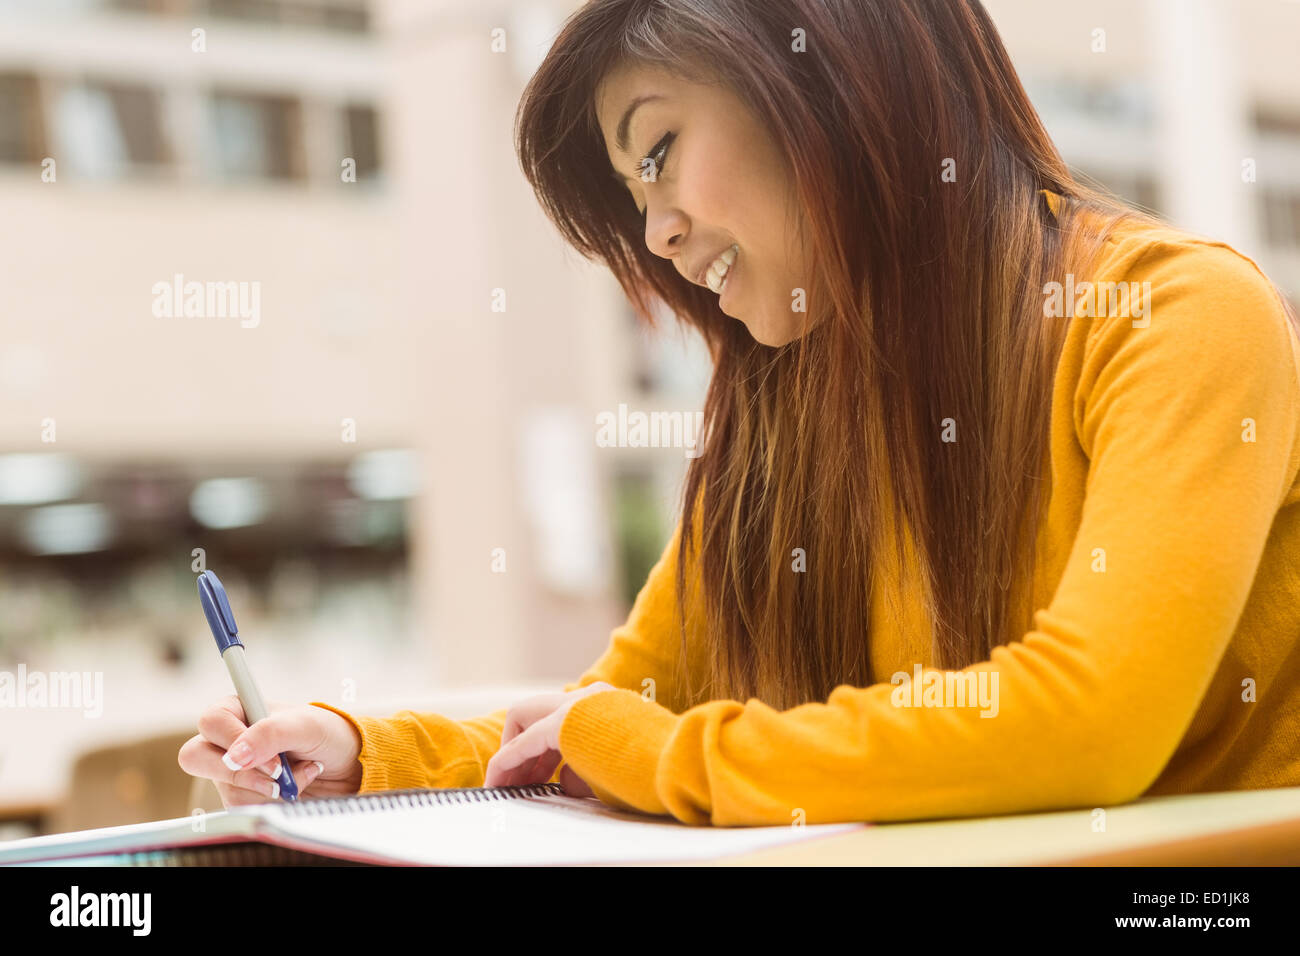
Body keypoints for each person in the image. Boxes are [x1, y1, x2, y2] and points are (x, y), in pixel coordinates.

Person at [179, 0, 1300, 826]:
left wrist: (660, 753)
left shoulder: (1174, 314)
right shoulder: (781, 414)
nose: (657, 234)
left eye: (659, 153)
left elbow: (1089, 723)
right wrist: (367, 751)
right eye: (633, 199)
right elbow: (604, 719)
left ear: (828, 74)